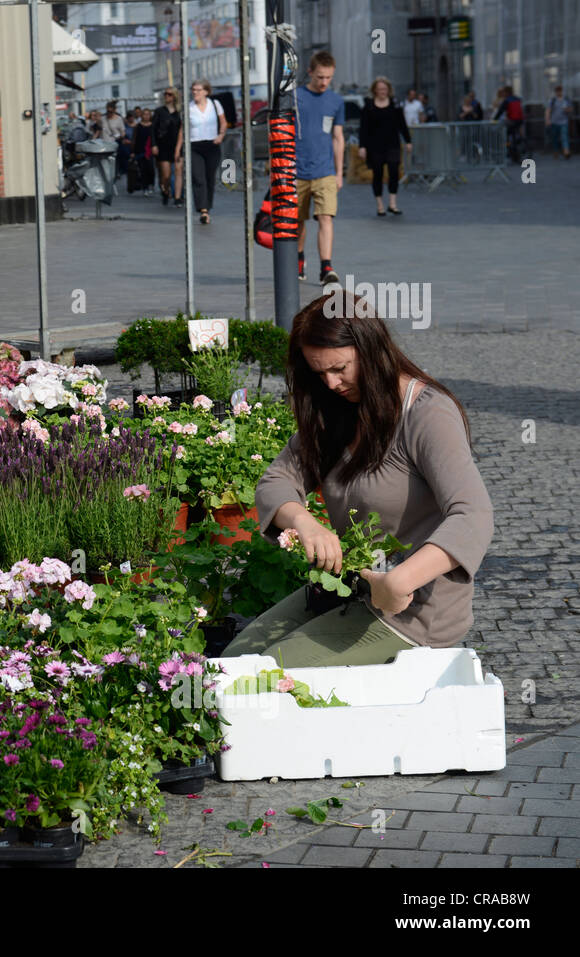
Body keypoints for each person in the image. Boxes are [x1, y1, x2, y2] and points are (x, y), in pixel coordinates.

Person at [223, 291, 493, 668]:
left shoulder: (427, 414)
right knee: (234, 661)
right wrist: (305, 523)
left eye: (340, 368)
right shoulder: (334, 410)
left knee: (264, 676)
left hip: (413, 613)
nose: (331, 383)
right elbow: (276, 480)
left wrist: (400, 581)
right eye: (319, 373)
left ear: (371, 350)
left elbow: (473, 514)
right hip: (346, 588)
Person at [294, 51, 346, 285]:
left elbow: (338, 137)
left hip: (325, 171)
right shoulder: (295, 97)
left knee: (326, 217)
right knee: (297, 220)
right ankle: (298, 259)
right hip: (297, 171)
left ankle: (326, 267)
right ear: (310, 73)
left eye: (328, 78)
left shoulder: (336, 102)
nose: (324, 82)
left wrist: (339, 172)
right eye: (320, 77)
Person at [358, 76, 411, 216]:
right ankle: (380, 205)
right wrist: (362, 146)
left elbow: (402, 124)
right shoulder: (368, 106)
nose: (383, 91)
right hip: (374, 146)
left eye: (385, 89)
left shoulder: (395, 104)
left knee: (394, 171)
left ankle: (393, 204)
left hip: (392, 144)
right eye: (380, 89)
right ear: (375, 90)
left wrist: (408, 141)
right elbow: (363, 128)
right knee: (378, 174)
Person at [186, 78, 225, 224]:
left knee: (209, 178)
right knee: (198, 178)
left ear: (206, 92)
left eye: (198, 90)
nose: (195, 93)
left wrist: (221, 135)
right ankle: (203, 210)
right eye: (193, 90)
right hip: (194, 145)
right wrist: (179, 149)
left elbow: (223, 122)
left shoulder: (215, 104)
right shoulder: (189, 107)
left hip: (212, 145)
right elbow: (182, 129)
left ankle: (207, 207)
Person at [151, 88, 183, 207]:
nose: (166, 96)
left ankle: (178, 197)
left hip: (178, 145)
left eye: (169, 94)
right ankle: (165, 191)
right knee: (166, 175)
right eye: (165, 94)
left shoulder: (180, 112)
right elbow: (153, 129)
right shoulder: (159, 111)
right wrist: (154, 145)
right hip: (163, 145)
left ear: (174, 96)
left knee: (179, 172)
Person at [494, 85, 525, 161]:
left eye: (504, 92)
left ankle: (509, 147)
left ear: (506, 92)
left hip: (512, 121)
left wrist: (495, 119)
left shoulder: (507, 100)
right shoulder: (517, 99)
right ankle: (514, 149)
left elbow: (500, 111)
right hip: (520, 120)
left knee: (505, 133)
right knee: (513, 134)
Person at [546, 85, 572, 158]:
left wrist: (567, 109)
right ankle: (556, 151)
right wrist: (547, 120)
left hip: (564, 122)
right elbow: (548, 110)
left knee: (564, 137)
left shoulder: (566, 99)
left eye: (560, 90)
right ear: (555, 92)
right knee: (555, 138)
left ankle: (566, 152)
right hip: (554, 122)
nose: (559, 92)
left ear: (562, 91)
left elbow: (570, 109)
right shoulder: (553, 100)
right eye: (557, 91)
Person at [103, 101, 127, 177]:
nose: (108, 113)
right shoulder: (103, 119)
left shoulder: (118, 119)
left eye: (110, 111)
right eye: (107, 111)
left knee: (114, 162)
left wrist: (119, 136)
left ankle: (116, 174)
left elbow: (123, 132)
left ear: (114, 110)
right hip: (103, 146)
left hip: (114, 145)